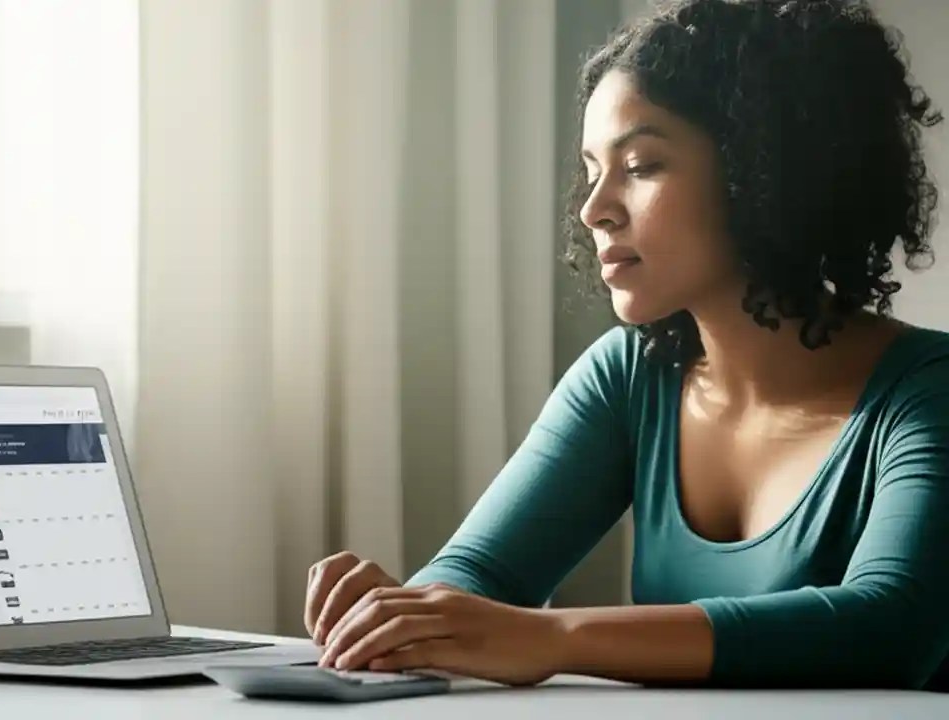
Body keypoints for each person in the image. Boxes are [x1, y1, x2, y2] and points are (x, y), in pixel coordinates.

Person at [302, 0, 949, 690]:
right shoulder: (630, 376)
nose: (594, 208)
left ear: (765, 173)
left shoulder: (926, 391)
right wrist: (410, 616)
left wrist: (552, 636)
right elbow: (482, 575)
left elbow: (891, 626)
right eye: (591, 169)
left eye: (641, 166)